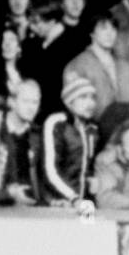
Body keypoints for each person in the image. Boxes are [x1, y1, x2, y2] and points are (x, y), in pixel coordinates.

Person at [41, 75, 97, 206]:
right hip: (58, 203)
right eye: (83, 97)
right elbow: (50, 170)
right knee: (62, 226)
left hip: (84, 203)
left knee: (88, 224)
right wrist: (72, 197)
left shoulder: (92, 129)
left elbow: (88, 169)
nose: (90, 103)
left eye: (92, 97)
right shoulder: (56, 123)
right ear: (69, 102)